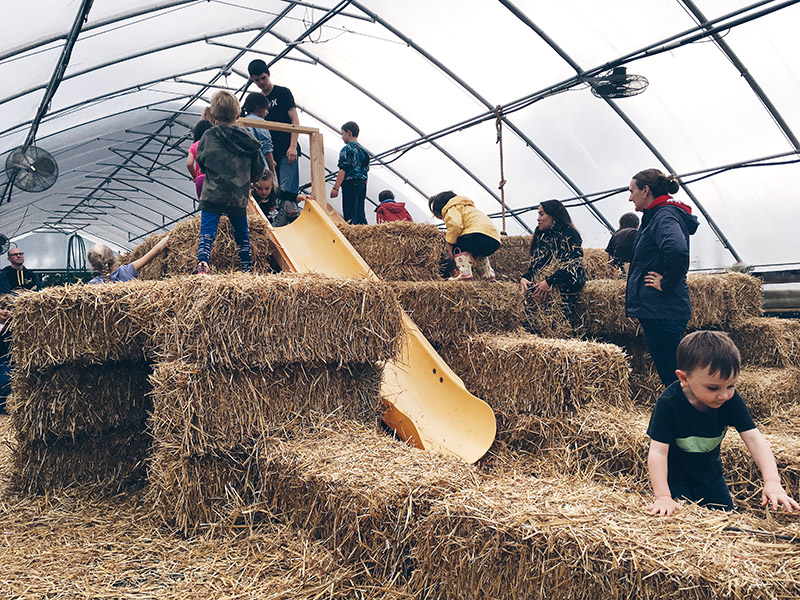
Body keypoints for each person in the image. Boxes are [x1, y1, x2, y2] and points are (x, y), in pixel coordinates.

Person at [646, 330, 799, 516]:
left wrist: (773, 482)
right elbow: (658, 452)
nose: (724, 395)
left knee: (727, 521)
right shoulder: (668, 404)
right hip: (675, 480)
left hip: (711, 478)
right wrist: (663, 496)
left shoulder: (730, 401)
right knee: (684, 522)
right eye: (713, 388)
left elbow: (754, 439)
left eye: (731, 385)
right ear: (684, 379)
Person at [626, 169, 699, 387]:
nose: (630, 197)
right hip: (658, 310)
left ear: (645, 190)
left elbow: (677, 250)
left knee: (676, 377)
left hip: (663, 310)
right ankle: (688, 418)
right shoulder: (656, 216)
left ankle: (707, 417)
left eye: (632, 191)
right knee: (674, 376)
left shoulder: (664, 215)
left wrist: (665, 283)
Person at [195, 90, 265, 275]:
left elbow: (201, 159)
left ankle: (203, 262)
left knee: (208, 229)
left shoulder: (209, 136)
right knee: (241, 232)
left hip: (213, 192)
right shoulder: (248, 138)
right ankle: (247, 268)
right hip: (238, 194)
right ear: (238, 113)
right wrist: (253, 179)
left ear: (215, 114)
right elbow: (258, 167)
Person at [519, 200, 586, 322]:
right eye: (538, 214)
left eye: (542, 214)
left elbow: (572, 266)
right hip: (542, 296)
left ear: (553, 217)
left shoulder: (569, 234)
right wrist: (524, 278)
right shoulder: (541, 236)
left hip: (564, 292)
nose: (538, 219)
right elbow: (536, 266)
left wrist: (549, 282)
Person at [248, 60, 300, 196]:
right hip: (268, 152)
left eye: (263, 78)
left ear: (269, 74)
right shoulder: (255, 100)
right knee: (270, 189)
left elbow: (295, 119)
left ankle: (290, 213)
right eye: (257, 80)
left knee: (287, 188)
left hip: (286, 148)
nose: (261, 83)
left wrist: (293, 146)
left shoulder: (283, 93)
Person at [428, 191, 500, 281]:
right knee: (477, 251)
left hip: (477, 235)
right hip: (494, 240)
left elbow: (455, 225)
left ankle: (465, 274)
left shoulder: (451, 208)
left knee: (457, 242)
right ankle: (488, 275)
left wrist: (449, 243)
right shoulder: (467, 207)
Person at [86, 235, 170, 284]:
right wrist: (170, 235)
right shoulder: (128, 270)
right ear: (114, 257)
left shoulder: (93, 285)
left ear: (94, 267)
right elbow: (155, 250)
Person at [330, 121, 370, 225]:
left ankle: (352, 235)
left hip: (350, 184)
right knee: (360, 212)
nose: (342, 137)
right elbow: (366, 171)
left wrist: (336, 188)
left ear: (349, 133)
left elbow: (343, 169)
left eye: (342, 134)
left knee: (350, 213)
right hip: (362, 184)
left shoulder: (347, 149)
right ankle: (364, 233)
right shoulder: (364, 151)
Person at [241, 92, 276, 175]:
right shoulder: (259, 122)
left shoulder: (243, 121)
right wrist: (272, 171)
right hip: (260, 167)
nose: (267, 112)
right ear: (258, 109)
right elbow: (267, 149)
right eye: (266, 109)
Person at [186, 119, 213, 199]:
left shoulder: (194, 146)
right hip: (213, 178)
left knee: (204, 207)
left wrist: (194, 176)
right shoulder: (214, 143)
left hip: (200, 179)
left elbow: (189, 164)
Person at [0, 295, 12, 415]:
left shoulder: (12, 327)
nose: (5, 311)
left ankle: (2, 410)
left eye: (8, 309)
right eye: (2, 308)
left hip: (5, 359)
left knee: (4, 382)